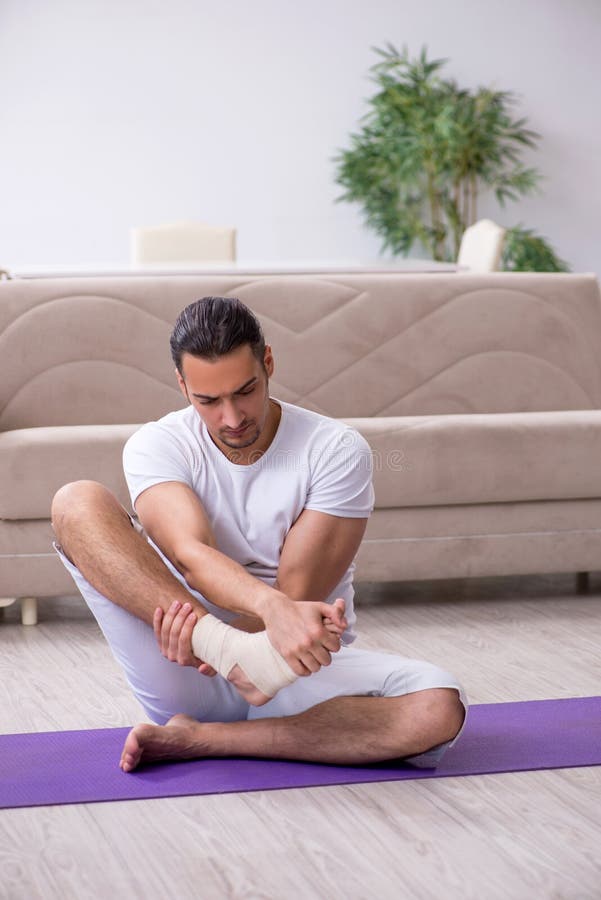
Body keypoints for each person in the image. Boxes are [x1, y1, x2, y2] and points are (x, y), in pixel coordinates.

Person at [51, 296, 467, 773]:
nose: (231, 418)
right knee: (74, 501)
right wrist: (224, 643)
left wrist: (266, 633)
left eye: (245, 391)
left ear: (268, 362)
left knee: (439, 706)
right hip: (187, 653)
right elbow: (190, 554)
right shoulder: (159, 444)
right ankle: (225, 686)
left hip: (290, 666)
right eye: (208, 401)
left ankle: (207, 740)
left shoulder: (334, 449)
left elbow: (296, 591)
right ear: (183, 386)